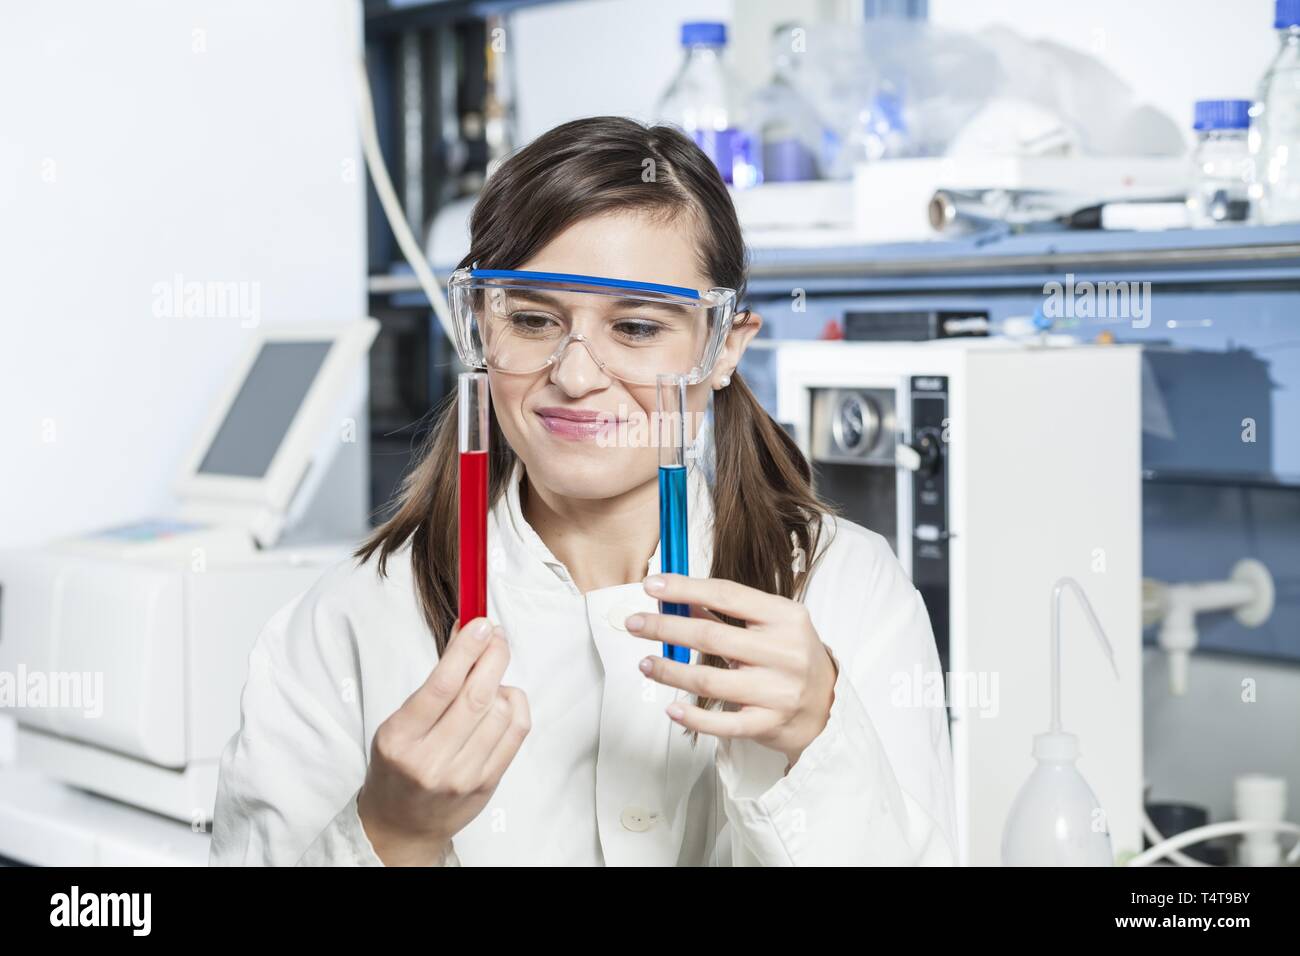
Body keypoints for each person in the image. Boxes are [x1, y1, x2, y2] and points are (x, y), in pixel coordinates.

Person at [209, 116, 956, 866]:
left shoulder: (846, 593)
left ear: (724, 348)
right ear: (480, 329)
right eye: (532, 321)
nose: (573, 375)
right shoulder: (349, 622)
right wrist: (393, 834)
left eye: (634, 328)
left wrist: (816, 739)